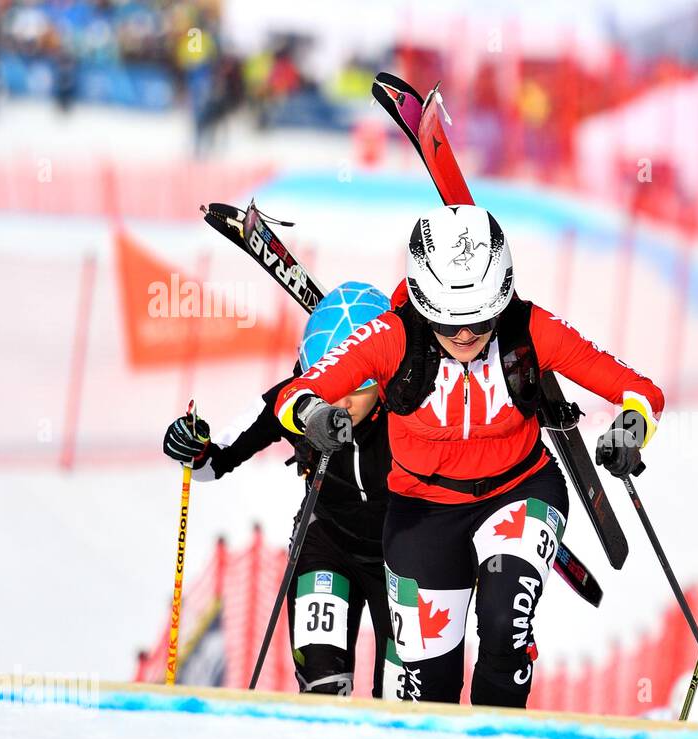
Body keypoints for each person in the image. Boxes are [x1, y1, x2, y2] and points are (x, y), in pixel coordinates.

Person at [271, 205, 664, 708]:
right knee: (428, 689)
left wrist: (630, 429)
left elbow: (640, 390)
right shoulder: (391, 337)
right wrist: (315, 417)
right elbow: (295, 395)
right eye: (447, 321)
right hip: (422, 513)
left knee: (504, 626)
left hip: (519, 494)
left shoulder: (531, 331)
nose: (463, 336)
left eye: (479, 321)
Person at [162, 281, 399, 697]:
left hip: (407, 559)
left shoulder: (416, 403)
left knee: (402, 703)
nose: (342, 401)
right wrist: (192, 450)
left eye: (359, 385)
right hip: (328, 545)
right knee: (322, 686)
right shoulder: (295, 400)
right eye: (330, 385)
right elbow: (214, 461)